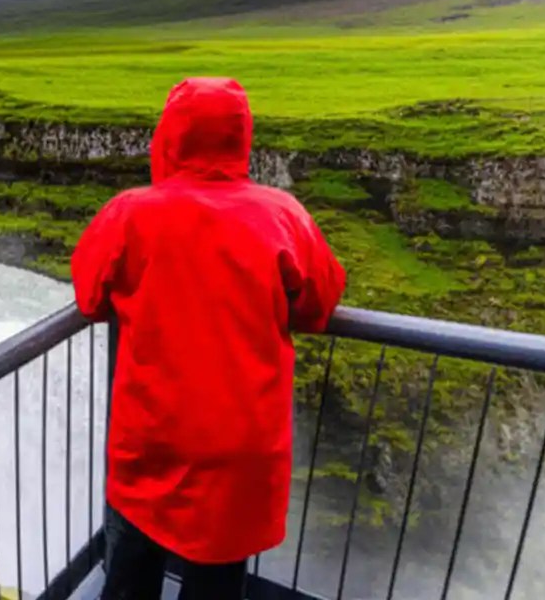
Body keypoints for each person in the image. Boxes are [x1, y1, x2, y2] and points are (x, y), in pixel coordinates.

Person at [71, 77, 346, 600]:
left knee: (128, 579)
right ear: (242, 139)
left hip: (151, 441)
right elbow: (318, 305)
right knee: (216, 587)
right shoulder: (283, 215)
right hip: (240, 452)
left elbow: (89, 296)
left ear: (170, 137)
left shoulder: (130, 212)